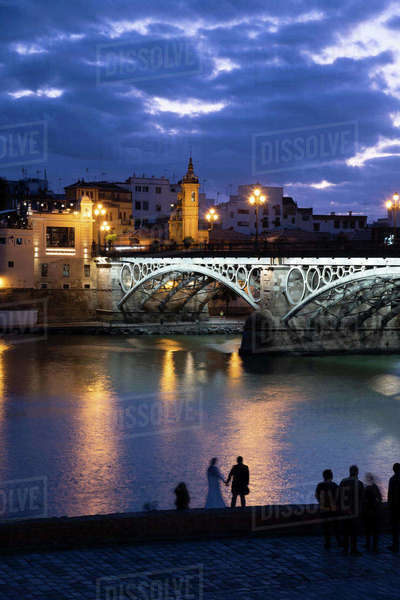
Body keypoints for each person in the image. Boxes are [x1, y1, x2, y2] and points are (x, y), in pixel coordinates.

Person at [339, 465, 364, 556]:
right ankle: (354, 549)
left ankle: (345, 549)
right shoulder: (359, 483)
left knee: (345, 531)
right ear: (357, 472)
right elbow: (362, 498)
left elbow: (339, 497)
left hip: (345, 510)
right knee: (354, 531)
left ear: (349, 471)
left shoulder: (343, 482)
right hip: (355, 511)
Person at [315, 469, 341, 549]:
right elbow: (338, 497)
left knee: (326, 527)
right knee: (336, 527)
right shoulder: (335, 485)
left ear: (324, 476)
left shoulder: (320, 485)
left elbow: (316, 495)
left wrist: (320, 502)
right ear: (331, 476)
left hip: (324, 509)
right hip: (333, 509)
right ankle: (338, 541)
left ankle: (327, 543)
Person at [362, 473, 382, 553]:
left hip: (368, 512)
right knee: (375, 530)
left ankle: (368, 544)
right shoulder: (375, 487)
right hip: (375, 511)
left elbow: (364, 500)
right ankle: (375, 546)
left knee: (368, 529)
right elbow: (380, 498)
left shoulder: (366, 489)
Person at [388, 462, 400, 553]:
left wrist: (389, 505)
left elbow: (390, 494)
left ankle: (395, 545)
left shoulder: (392, 479)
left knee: (395, 526)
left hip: (395, 506)